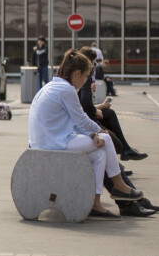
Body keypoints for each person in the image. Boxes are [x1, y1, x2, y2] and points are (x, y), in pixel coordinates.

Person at [29, 49, 144, 220]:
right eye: (85, 77)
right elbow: (81, 120)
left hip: (46, 142)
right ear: (77, 73)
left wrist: (92, 135)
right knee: (106, 138)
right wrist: (99, 131)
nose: (85, 81)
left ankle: (95, 203)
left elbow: (75, 123)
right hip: (53, 144)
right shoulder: (66, 90)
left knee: (99, 154)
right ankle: (119, 186)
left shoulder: (53, 86)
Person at [76, 47, 148, 162]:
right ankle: (121, 159)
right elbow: (85, 105)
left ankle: (126, 151)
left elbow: (81, 105)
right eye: (93, 63)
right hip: (84, 119)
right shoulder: (85, 77)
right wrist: (96, 110)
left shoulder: (79, 76)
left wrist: (101, 107)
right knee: (114, 142)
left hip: (82, 116)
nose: (94, 66)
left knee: (109, 113)